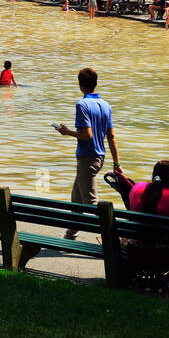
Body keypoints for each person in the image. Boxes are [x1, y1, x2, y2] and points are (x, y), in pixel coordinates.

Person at [55, 68, 121, 236]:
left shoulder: (82, 104)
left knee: (92, 204)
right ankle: (72, 232)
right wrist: (116, 163)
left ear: (80, 85)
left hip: (87, 158)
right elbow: (111, 137)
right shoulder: (106, 106)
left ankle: (111, 239)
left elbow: (86, 135)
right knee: (76, 196)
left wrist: (67, 132)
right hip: (100, 157)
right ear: (95, 84)